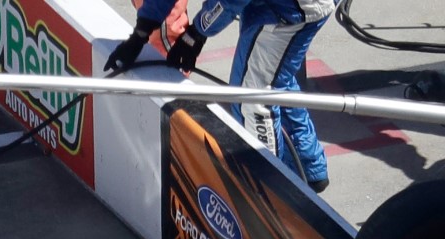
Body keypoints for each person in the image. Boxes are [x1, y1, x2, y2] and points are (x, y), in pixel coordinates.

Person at [105, 0, 335, 191]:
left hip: (291, 9)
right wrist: (142, 31)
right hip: (293, 5)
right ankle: (309, 167)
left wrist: (196, 33)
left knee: (251, 96)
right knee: (274, 75)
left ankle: (269, 196)